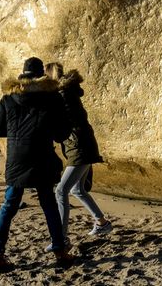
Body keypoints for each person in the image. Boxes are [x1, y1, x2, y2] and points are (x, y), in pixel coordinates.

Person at [0, 57, 73, 273]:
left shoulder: (9, 97)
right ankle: (60, 252)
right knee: (49, 204)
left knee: (9, 206)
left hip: (17, 156)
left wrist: (17, 132)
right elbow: (62, 132)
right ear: (40, 74)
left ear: (22, 73)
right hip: (42, 156)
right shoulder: (51, 96)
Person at [46, 62, 112, 251]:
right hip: (83, 145)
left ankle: (61, 238)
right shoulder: (68, 93)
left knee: (61, 191)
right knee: (77, 190)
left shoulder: (62, 96)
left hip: (79, 148)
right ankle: (102, 223)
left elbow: (59, 124)